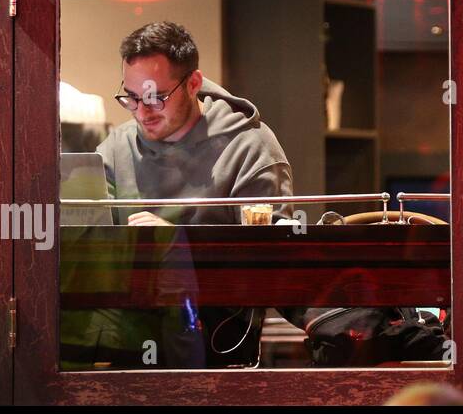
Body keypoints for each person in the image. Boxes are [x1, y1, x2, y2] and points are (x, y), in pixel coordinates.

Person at [60, 21, 294, 369]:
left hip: (214, 336)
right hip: (123, 334)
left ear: (193, 84)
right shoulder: (116, 147)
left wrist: (176, 243)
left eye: (156, 98)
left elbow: (268, 262)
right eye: (132, 98)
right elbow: (90, 248)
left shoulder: (250, 148)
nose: (142, 112)